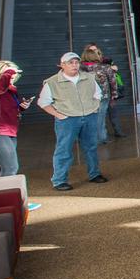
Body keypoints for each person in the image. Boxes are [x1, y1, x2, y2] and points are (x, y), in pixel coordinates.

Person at [38, 52, 108, 191]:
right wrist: (58, 115)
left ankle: (94, 174)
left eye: (76, 62)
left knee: (91, 147)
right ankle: (59, 180)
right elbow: (43, 102)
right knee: (63, 150)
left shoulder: (88, 77)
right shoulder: (52, 82)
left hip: (89, 116)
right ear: (62, 65)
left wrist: (94, 108)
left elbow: (98, 94)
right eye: (70, 63)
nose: (74, 65)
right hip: (67, 119)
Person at [0, 60, 33, 178]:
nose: (12, 77)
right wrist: (8, 73)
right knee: (11, 168)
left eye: (14, 75)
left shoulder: (11, 90)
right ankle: (5, 196)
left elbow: (8, 110)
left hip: (7, 133)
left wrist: (21, 107)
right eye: (9, 75)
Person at [80, 45, 124, 141]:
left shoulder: (80, 68)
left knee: (86, 117)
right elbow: (113, 82)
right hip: (103, 96)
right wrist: (114, 95)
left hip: (85, 96)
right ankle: (101, 138)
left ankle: (85, 138)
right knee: (100, 117)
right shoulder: (105, 67)